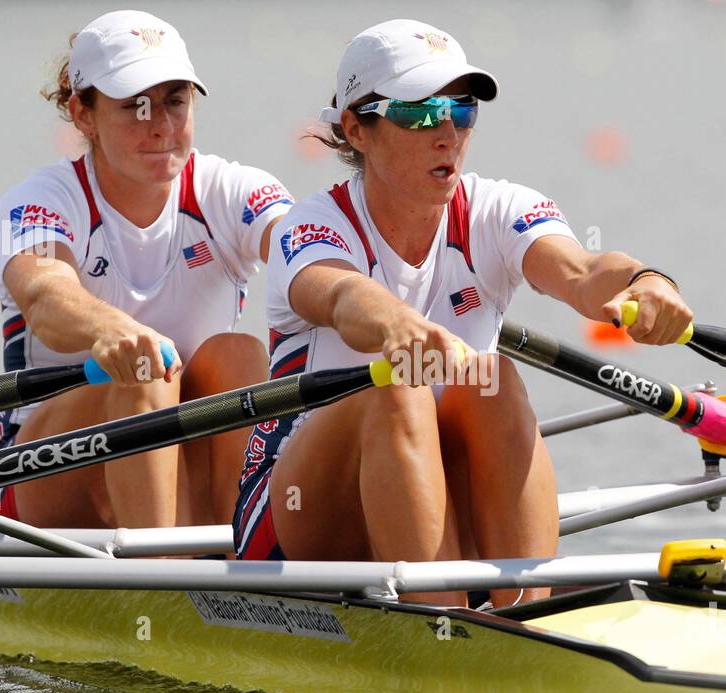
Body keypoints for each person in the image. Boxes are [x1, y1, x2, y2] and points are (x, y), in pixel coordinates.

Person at [234, 19, 691, 606]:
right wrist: (398, 324)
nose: (447, 132)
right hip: (299, 525)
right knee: (398, 389)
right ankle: (447, 628)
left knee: (493, 379)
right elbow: (343, 295)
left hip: (430, 502)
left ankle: (525, 615)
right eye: (421, 113)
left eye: (463, 109)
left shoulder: (498, 210)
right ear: (358, 128)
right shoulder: (312, 224)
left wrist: (645, 281)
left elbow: (581, 272)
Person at [0, 10, 293, 529]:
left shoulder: (232, 190)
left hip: (178, 471)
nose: (163, 127)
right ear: (83, 114)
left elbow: (308, 255)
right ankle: (169, 579)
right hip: (38, 478)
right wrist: (113, 332)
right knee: (145, 371)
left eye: (176, 101)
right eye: (136, 107)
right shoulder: (44, 200)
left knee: (237, 356)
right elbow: (44, 294)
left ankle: (234, 562)